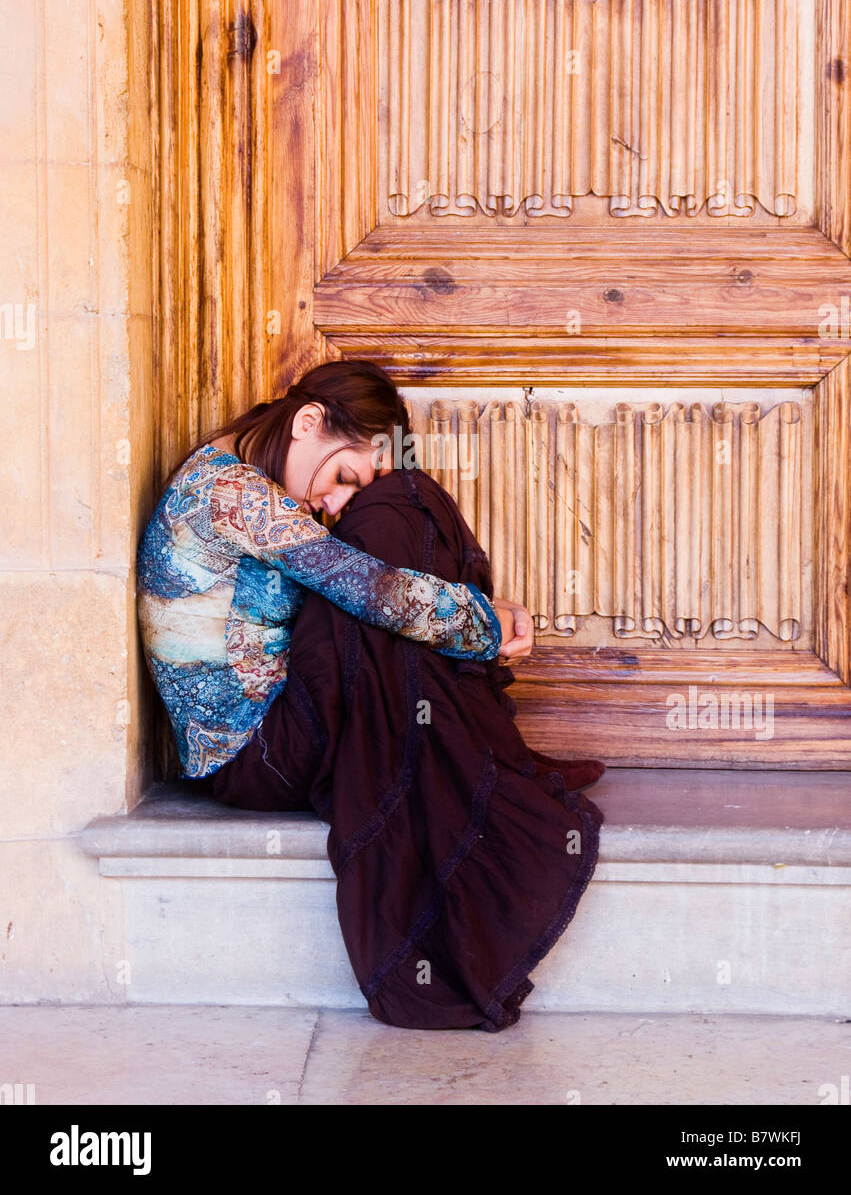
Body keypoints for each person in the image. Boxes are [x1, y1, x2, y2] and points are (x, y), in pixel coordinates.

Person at [137, 359, 605, 1030]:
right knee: (400, 504)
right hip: (256, 757)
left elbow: (368, 589)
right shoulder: (232, 495)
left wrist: (470, 615)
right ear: (307, 424)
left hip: (271, 742)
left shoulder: (236, 478)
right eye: (342, 475)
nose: (333, 502)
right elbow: (367, 587)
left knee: (394, 518)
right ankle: (472, 747)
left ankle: (466, 746)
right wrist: (481, 624)